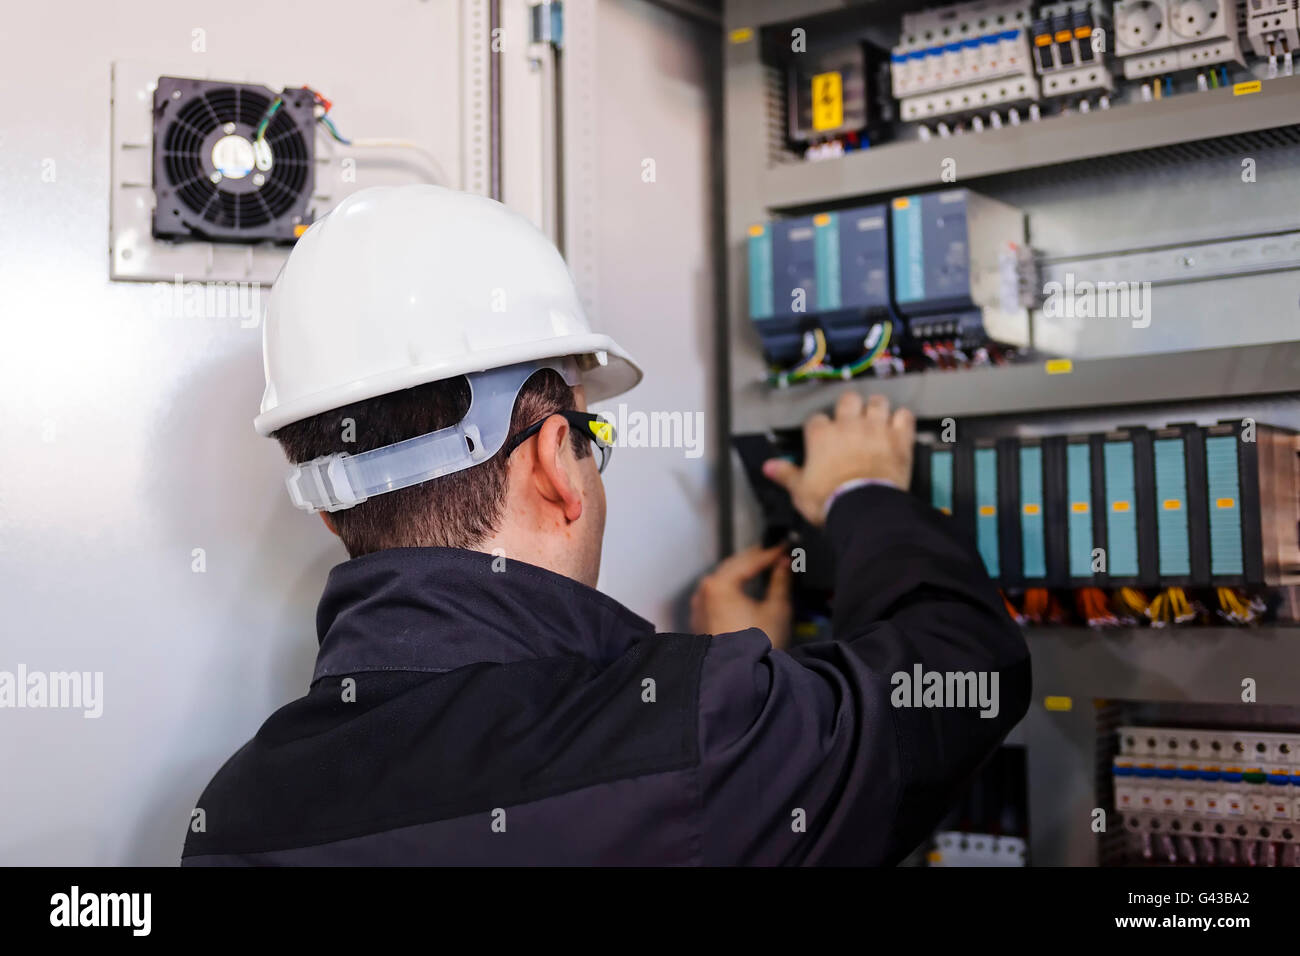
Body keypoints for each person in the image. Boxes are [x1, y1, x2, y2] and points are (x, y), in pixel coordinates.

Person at [182, 184, 1030, 866]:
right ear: (557, 460)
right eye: (592, 437)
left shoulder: (235, 816)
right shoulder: (697, 739)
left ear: (332, 512)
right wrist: (862, 491)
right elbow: (964, 663)